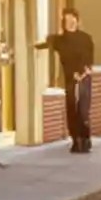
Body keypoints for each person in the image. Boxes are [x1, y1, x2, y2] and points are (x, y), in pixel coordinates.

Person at [36, 8, 95, 154]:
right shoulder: (61, 40)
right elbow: (46, 43)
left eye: (72, 19)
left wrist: (85, 71)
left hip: (84, 78)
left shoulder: (86, 38)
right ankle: (76, 140)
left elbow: (90, 57)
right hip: (70, 79)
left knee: (83, 110)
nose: (70, 23)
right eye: (66, 20)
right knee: (71, 110)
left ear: (77, 20)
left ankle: (85, 140)